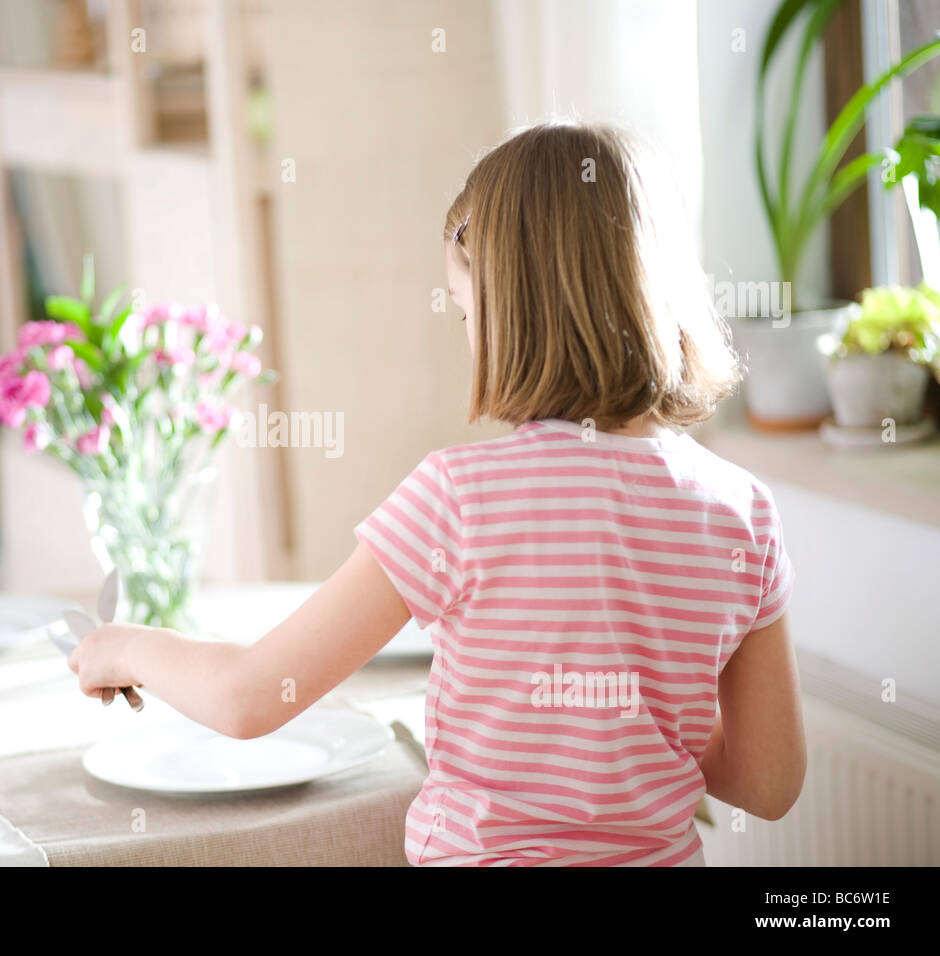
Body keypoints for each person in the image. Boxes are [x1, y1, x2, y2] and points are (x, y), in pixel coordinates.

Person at [71, 120, 806, 866]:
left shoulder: (459, 498)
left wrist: (127, 646)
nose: (467, 335)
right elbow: (769, 781)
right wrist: (642, 708)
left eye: (466, 310)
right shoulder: (742, 511)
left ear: (514, 308)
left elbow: (249, 697)